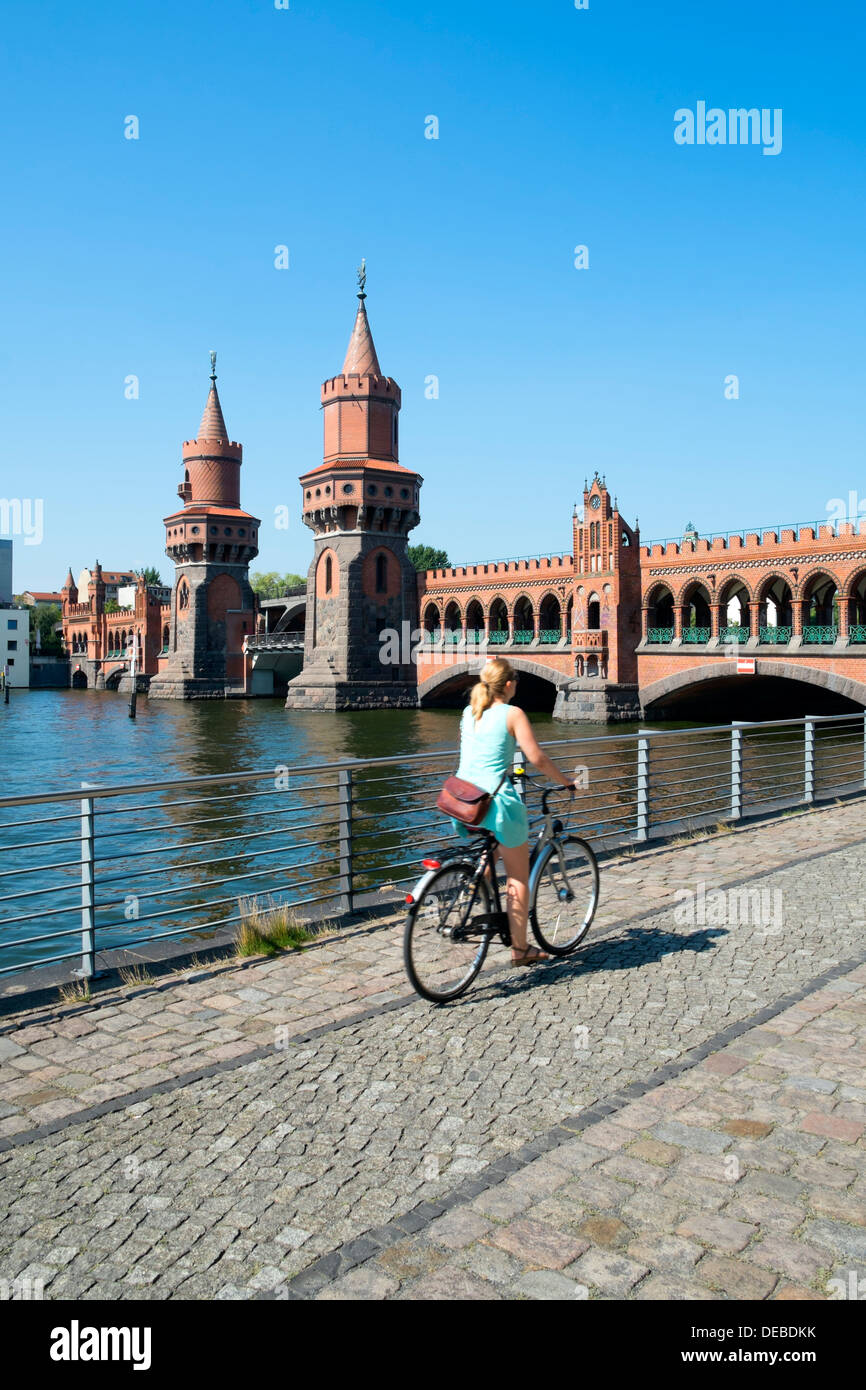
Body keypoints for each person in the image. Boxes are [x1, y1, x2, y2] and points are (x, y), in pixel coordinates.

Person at [450, 656, 581, 967]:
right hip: (496, 803)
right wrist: (566, 782)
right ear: (508, 685)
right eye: (516, 681)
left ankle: (476, 883)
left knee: (493, 849)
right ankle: (520, 950)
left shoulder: (470, 711)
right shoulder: (513, 714)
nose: (518, 686)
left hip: (463, 800)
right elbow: (535, 757)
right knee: (518, 878)